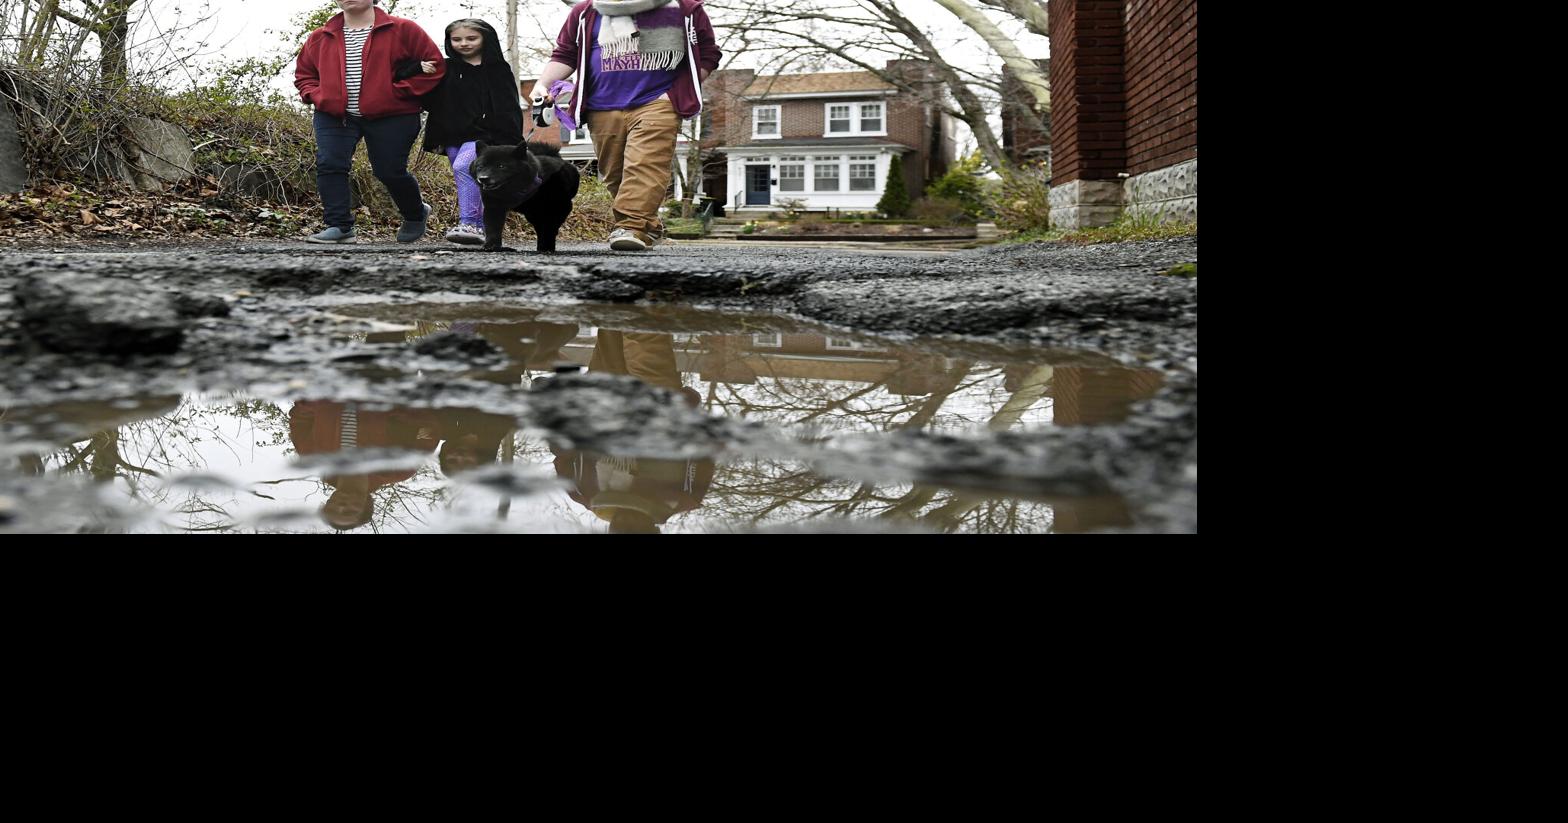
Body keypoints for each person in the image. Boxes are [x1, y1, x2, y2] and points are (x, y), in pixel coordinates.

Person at [533, 0, 721, 251]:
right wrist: (542, 84)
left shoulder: (685, 9)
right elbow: (565, 54)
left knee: (645, 164)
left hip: (657, 101)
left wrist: (676, 92)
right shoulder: (586, 12)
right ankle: (648, 226)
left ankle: (631, 226)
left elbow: (708, 53)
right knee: (615, 174)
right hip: (602, 105)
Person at [294, 0, 445, 244]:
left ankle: (416, 213)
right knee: (330, 163)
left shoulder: (403, 29)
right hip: (335, 115)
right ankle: (339, 226)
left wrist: (398, 92)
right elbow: (305, 75)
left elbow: (435, 66)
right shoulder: (320, 36)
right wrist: (316, 96)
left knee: (389, 171)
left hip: (393, 114)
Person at [414, 19, 525, 246]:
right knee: (469, 177)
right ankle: (483, 229)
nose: (463, 43)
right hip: (453, 134)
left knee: (464, 166)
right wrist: (418, 70)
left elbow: (509, 105)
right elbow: (428, 101)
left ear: (485, 38)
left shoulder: (497, 69)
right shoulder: (446, 68)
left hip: (486, 136)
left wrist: (512, 141)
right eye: (457, 39)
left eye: (471, 38)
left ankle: (470, 223)